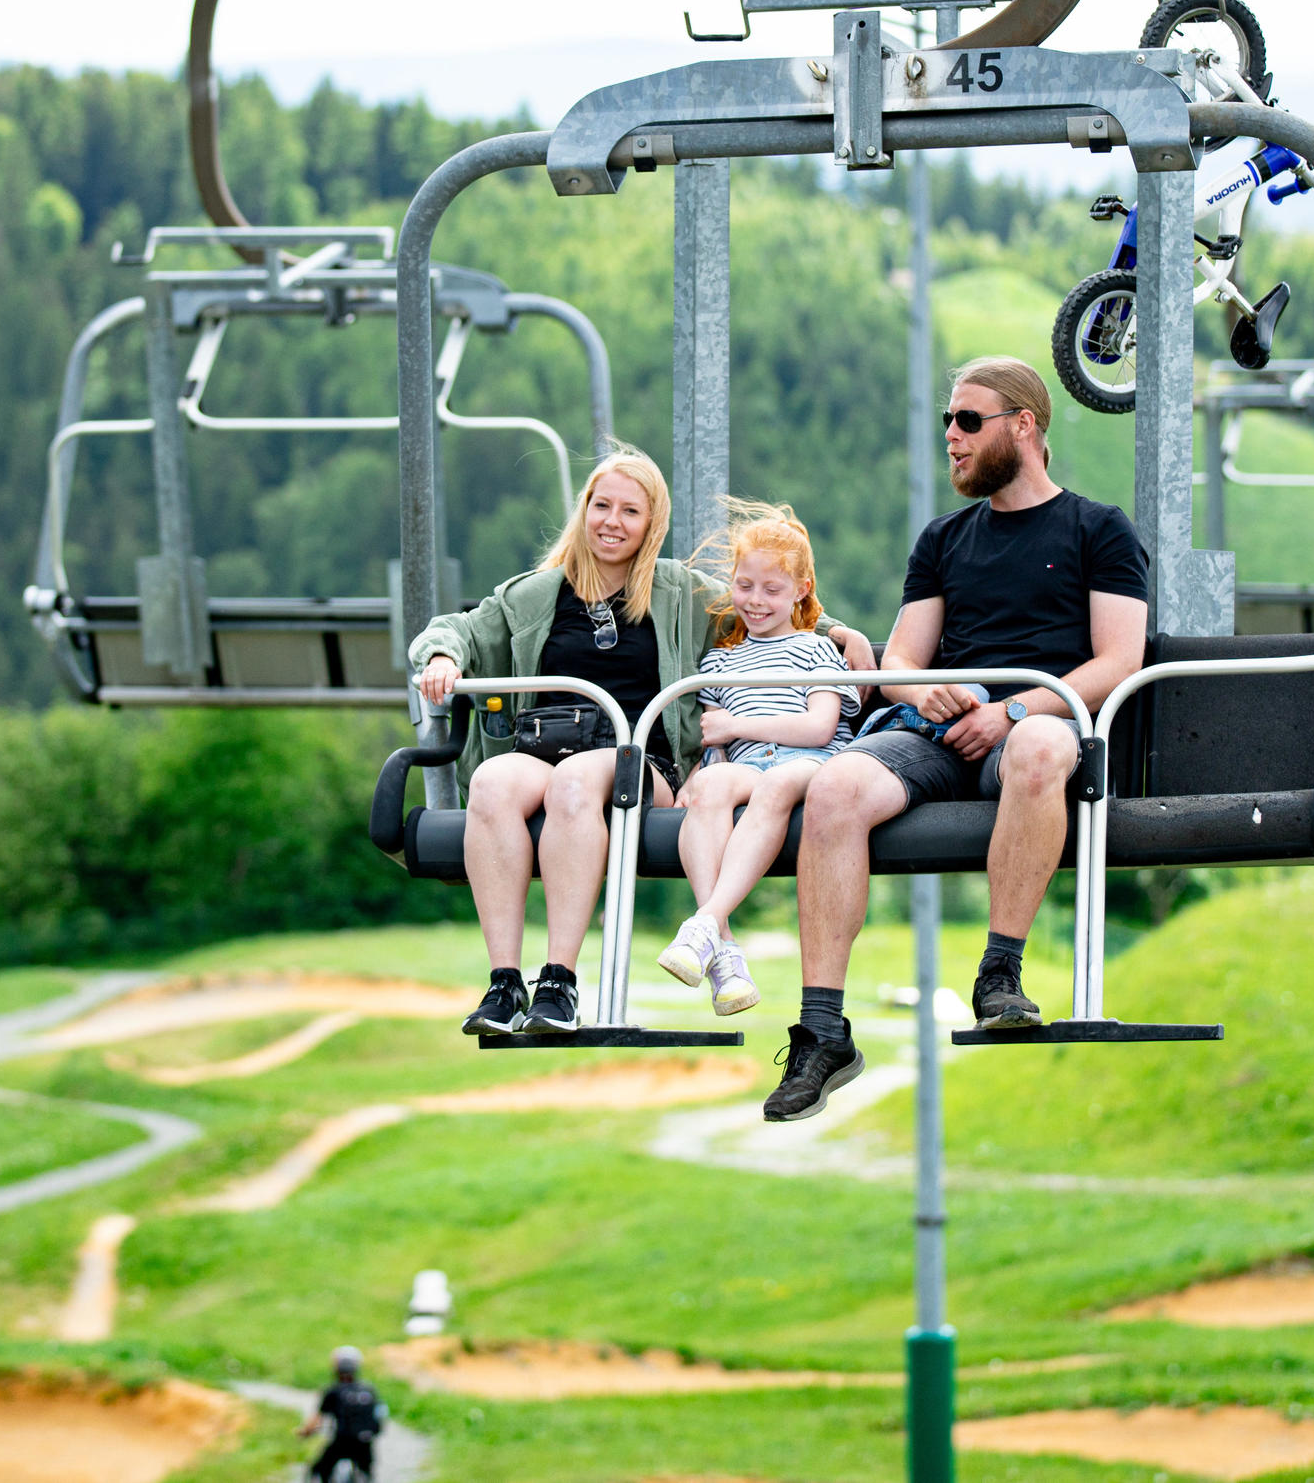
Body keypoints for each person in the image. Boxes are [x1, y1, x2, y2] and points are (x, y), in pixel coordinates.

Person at [762, 356, 1149, 1123]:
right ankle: (823, 1029)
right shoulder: (943, 540)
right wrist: (921, 691)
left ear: (1024, 426)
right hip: (938, 733)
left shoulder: (1097, 529)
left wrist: (1013, 713)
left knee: (1043, 746)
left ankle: (999, 974)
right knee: (836, 785)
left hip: (1030, 729)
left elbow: (1117, 661)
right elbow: (904, 660)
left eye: (968, 421)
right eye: (947, 422)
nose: (952, 436)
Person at [413, 448, 872, 1037]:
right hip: (545, 748)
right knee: (491, 781)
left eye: (630, 511)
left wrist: (841, 632)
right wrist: (443, 656)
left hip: (639, 761)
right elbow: (458, 628)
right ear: (583, 510)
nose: (612, 521)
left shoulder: (678, 592)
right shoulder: (534, 595)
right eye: (601, 506)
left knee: (576, 782)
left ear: (652, 522)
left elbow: (764, 606)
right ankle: (504, 983)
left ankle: (558, 981)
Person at [656, 501, 859, 1018]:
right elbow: (715, 742)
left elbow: (820, 727)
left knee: (776, 784)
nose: (755, 601)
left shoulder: (816, 650)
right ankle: (723, 950)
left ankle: (706, 920)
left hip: (811, 762)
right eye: (744, 586)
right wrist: (698, 775)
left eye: (772, 590)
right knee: (710, 788)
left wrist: (737, 727)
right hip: (746, 764)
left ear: (801, 590)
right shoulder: (720, 661)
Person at [297, 1346, 386, 1480]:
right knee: (366, 1474)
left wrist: (305, 1433)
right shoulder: (369, 1390)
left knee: (319, 1470)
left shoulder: (334, 1391)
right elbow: (380, 1415)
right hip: (365, 1443)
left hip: (341, 1442)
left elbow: (317, 1420)